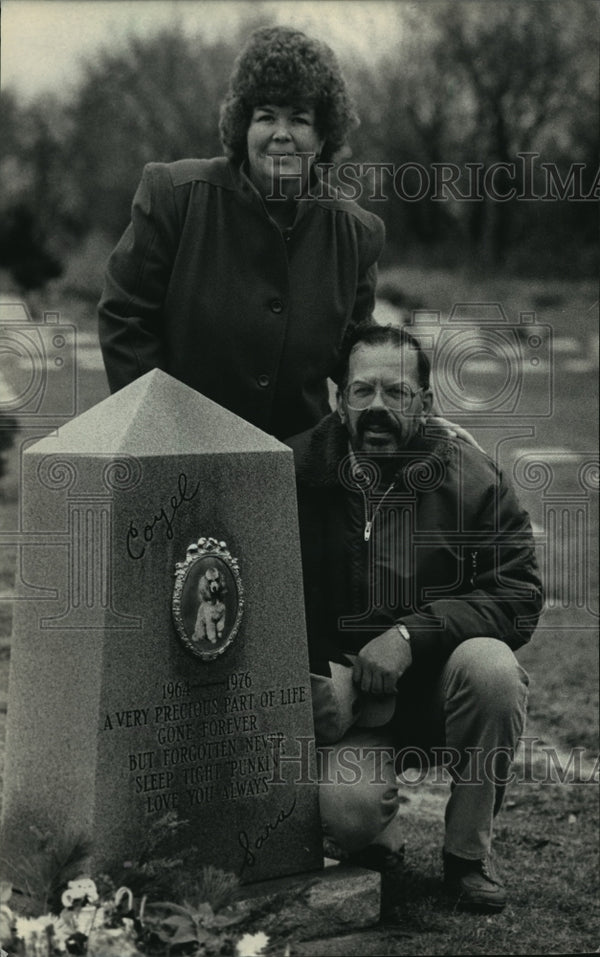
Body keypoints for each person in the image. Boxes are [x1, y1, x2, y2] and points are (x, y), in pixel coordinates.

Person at [287, 322, 544, 912]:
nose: (377, 407)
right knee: (346, 815)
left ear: (425, 402)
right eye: (362, 391)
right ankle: (373, 829)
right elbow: (266, 602)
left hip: (437, 690)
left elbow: (517, 593)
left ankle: (468, 855)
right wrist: (323, 682)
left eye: (397, 393)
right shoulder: (293, 474)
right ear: (338, 398)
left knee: (494, 672)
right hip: (349, 709)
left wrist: (408, 636)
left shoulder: (473, 477)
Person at [97, 26, 385, 441]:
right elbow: (125, 316)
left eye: (299, 119)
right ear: (242, 127)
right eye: (266, 116)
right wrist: (159, 432)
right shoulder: (175, 197)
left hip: (298, 466)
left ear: (323, 138)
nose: (281, 133)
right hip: (180, 457)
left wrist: (407, 403)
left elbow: (359, 356)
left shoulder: (355, 233)